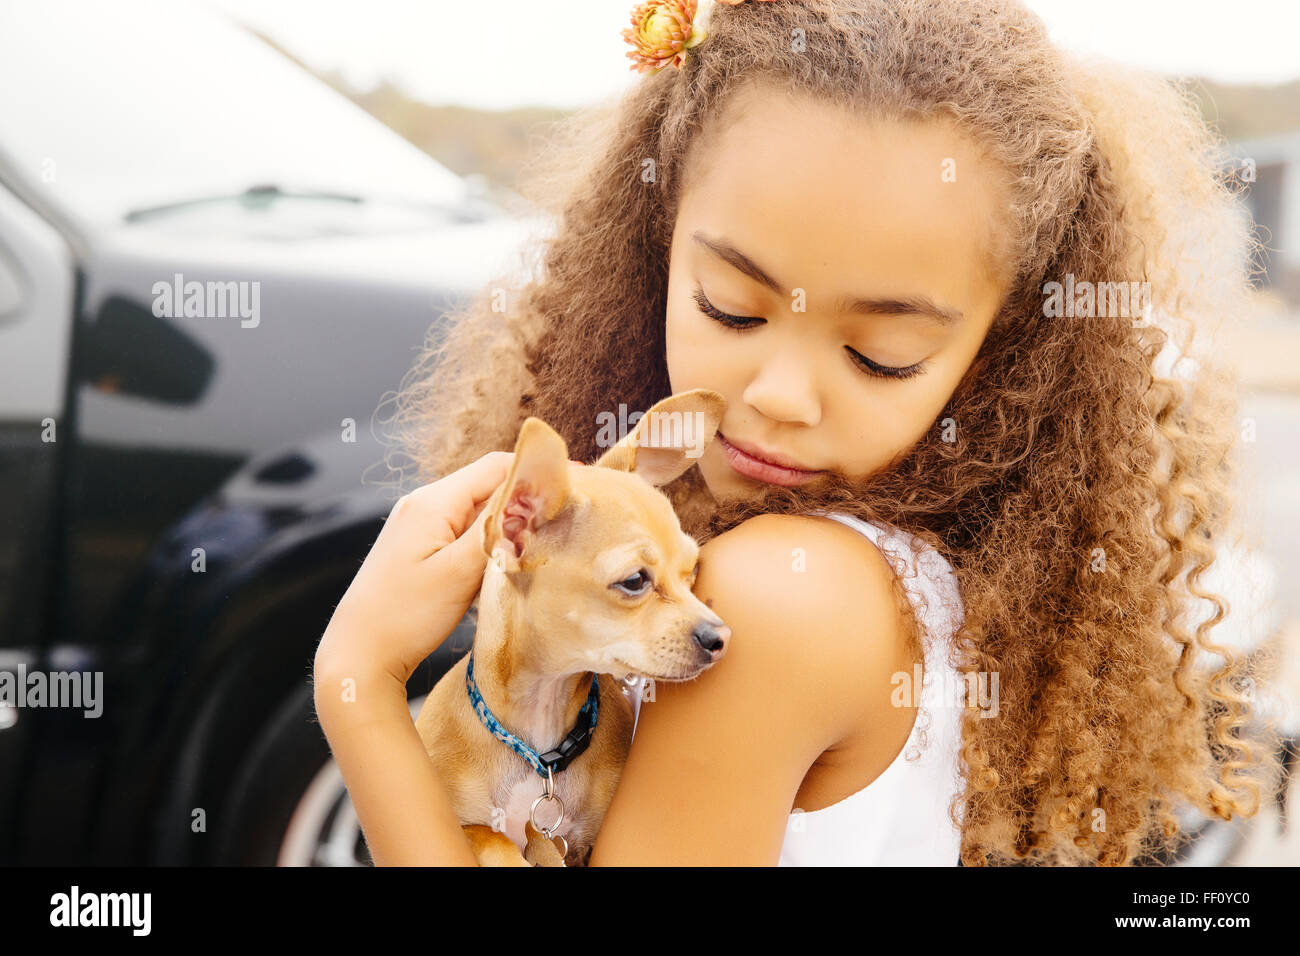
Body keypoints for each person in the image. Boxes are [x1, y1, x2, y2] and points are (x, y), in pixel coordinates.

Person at [313, 0, 1280, 866]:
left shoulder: (776, 605)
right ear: (655, 243)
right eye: (731, 308)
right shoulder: (938, 585)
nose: (780, 397)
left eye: (881, 355)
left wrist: (357, 681)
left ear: (1002, 352)